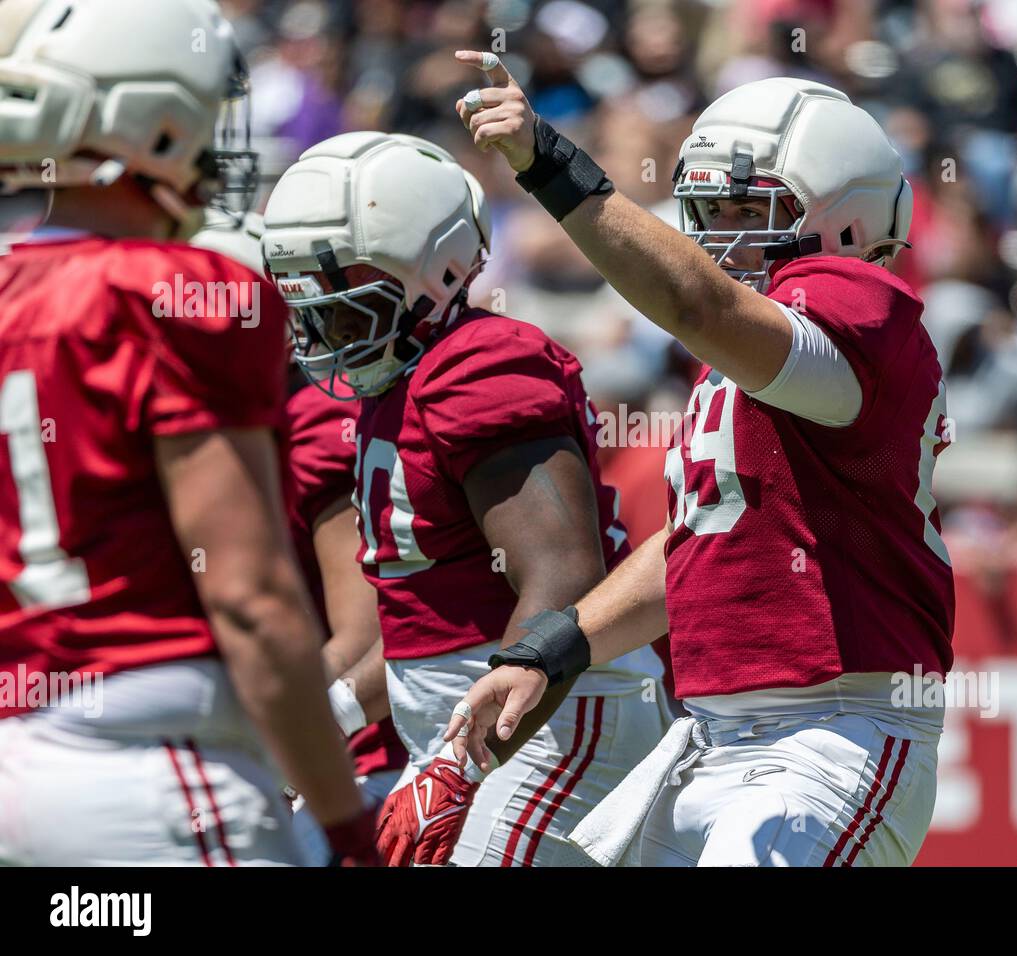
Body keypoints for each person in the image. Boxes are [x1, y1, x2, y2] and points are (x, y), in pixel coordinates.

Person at [446, 55, 955, 866]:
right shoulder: (741, 365)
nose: (719, 234)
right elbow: (700, 539)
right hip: (712, 735)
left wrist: (551, 163)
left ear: (847, 222)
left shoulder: (861, 308)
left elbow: (695, 304)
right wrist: (553, 650)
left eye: (745, 208)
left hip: (831, 733)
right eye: (707, 209)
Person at [0, 0, 373, 866]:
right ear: (152, 116)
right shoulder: (175, 290)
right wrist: (345, 824)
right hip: (152, 761)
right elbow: (251, 600)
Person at [259, 131, 670, 866]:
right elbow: (437, 627)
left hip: (558, 724)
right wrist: (334, 716)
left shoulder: (479, 366)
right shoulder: (397, 386)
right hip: (490, 730)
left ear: (436, 273)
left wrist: (463, 762)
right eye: (314, 313)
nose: (328, 337)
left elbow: (562, 576)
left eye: (349, 312)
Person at [191, 211, 408, 864]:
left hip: (365, 756)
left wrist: (270, 744)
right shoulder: (240, 425)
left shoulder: (315, 421)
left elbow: (363, 635)